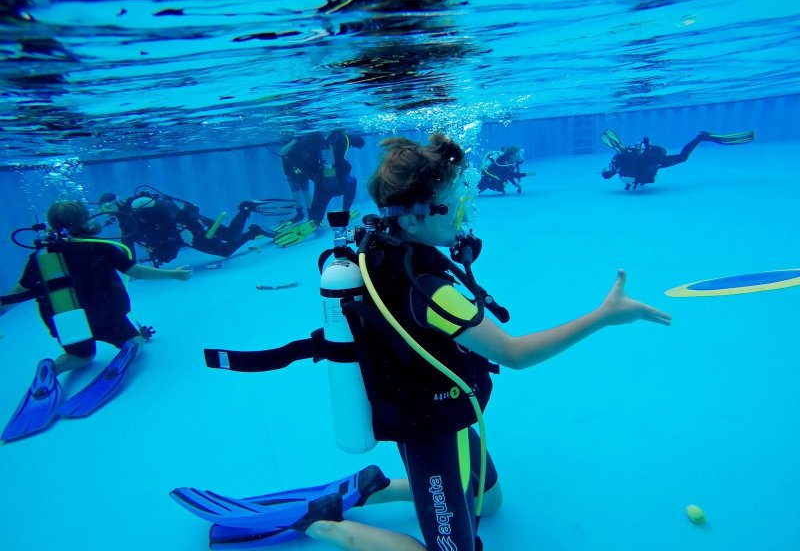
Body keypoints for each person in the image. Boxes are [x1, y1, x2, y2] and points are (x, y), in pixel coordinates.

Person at [172, 133, 671, 550]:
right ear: (411, 217)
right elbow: (514, 354)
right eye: (453, 203)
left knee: (491, 503)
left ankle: (378, 488)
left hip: (447, 405)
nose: (463, 213)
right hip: (428, 426)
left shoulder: (382, 247)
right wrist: (605, 316)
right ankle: (323, 523)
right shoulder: (430, 290)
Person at [0, 200, 192, 442]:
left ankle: (52, 369)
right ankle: (128, 351)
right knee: (136, 341)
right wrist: (174, 274)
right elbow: (135, 271)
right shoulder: (100, 247)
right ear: (86, 220)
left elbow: (19, 291)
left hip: (67, 320)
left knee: (81, 357)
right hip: (107, 316)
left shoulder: (42, 256)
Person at [98, 190, 273, 267]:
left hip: (189, 224)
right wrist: (130, 268)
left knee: (228, 243)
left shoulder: (137, 204)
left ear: (115, 202)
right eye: (103, 211)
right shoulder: (126, 223)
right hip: (181, 233)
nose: (107, 213)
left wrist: (182, 228)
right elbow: (127, 246)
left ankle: (250, 220)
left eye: (107, 208)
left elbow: (167, 205)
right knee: (228, 240)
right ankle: (248, 216)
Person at [274, 129, 366, 247]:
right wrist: (347, 138)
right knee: (353, 181)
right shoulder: (342, 138)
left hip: (321, 187)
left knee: (316, 217)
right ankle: (345, 212)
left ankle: (314, 222)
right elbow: (361, 143)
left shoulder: (307, 142)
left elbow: (300, 163)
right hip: (340, 184)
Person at [600, 129, 755, 190]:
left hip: (649, 162)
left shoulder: (623, 161)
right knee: (682, 157)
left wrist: (607, 173)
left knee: (680, 158)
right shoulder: (624, 162)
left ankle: (701, 138)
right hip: (651, 163)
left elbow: (611, 172)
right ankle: (701, 138)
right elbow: (611, 173)